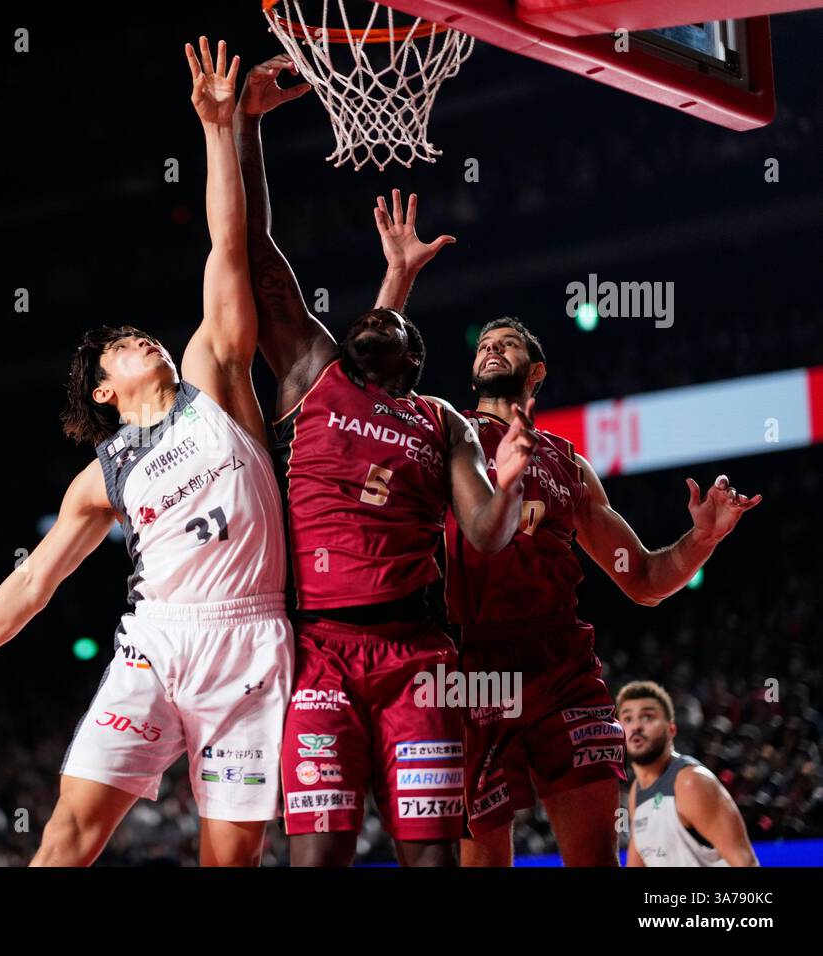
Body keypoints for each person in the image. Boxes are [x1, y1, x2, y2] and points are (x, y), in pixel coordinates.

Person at [0, 38, 293, 867]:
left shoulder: (214, 380)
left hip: (250, 640)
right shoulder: (103, 477)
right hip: (157, 638)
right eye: (122, 345)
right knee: (67, 834)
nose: (142, 340)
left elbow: (228, 250)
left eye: (140, 334)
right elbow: (33, 581)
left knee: (229, 861)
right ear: (101, 389)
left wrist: (218, 129)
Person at [368, 190, 762, 866]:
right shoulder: (441, 427)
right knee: (482, 859)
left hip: (560, 667)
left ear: (536, 371)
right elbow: (369, 383)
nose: (493, 349)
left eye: (509, 343)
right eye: (485, 344)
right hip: (468, 667)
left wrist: (701, 539)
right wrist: (400, 277)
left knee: (593, 858)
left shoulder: (568, 465)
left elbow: (639, 580)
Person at [235, 56, 536, 867]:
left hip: (416, 655)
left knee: (431, 858)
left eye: (395, 321)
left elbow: (485, 533)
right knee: (319, 854)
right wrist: (246, 122)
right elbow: (256, 254)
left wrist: (506, 488)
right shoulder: (314, 379)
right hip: (320, 650)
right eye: (375, 314)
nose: (380, 320)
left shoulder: (442, 421)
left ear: (413, 355)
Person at [619, 680, 758, 866]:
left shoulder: (691, 782)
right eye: (628, 719)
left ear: (671, 729)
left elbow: (746, 864)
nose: (636, 726)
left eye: (647, 717)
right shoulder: (637, 792)